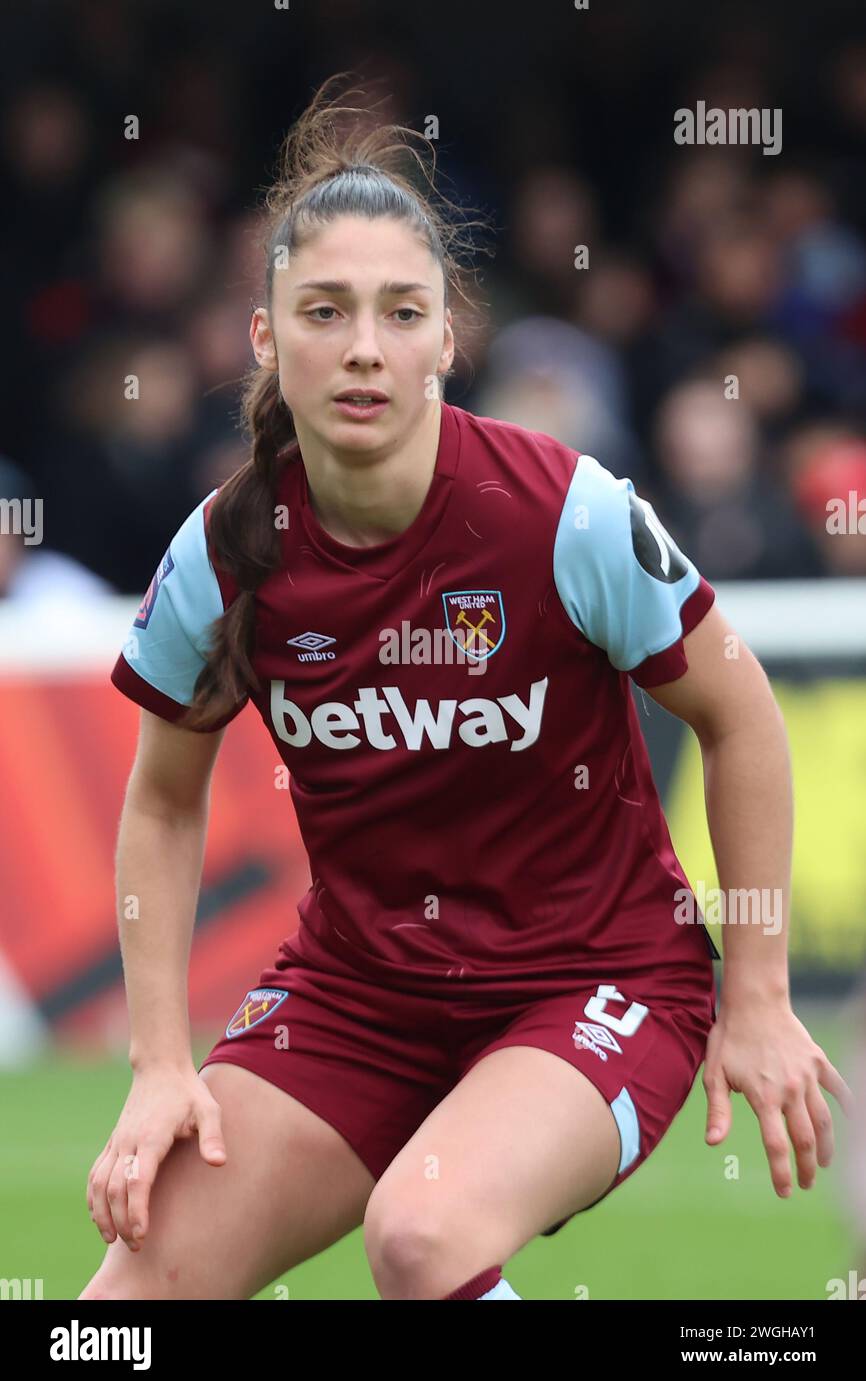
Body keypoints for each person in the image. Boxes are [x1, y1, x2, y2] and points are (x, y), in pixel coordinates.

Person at [80, 77, 851, 1302]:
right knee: (119, 1316)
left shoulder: (564, 513)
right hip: (358, 993)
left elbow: (740, 715)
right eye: (324, 312)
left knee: (420, 1237)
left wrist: (753, 993)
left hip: (598, 978)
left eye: (401, 311)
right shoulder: (224, 551)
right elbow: (164, 803)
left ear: (450, 335)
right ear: (267, 338)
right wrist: (162, 1062)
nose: (365, 348)